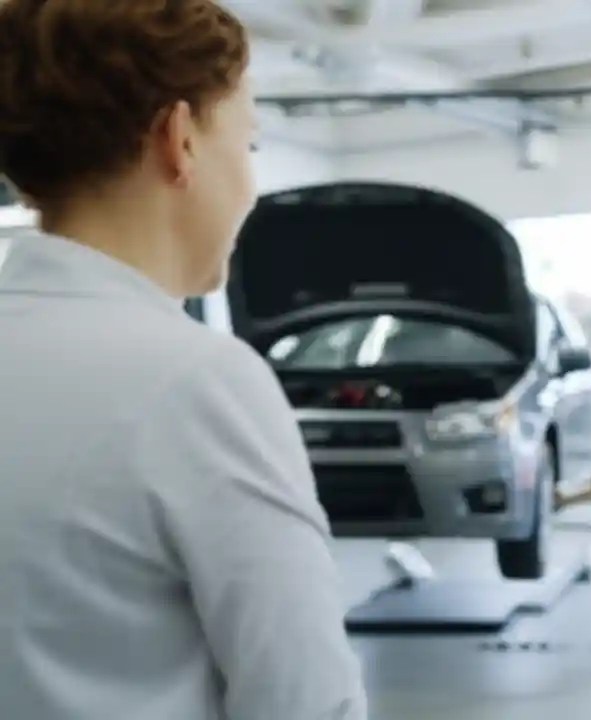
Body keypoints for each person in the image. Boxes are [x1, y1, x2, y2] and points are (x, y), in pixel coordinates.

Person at [0, 2, 367, 718]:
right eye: (249, 143)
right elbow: (303, 700)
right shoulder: (197, 384)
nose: (250, 182)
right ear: (181, 140)